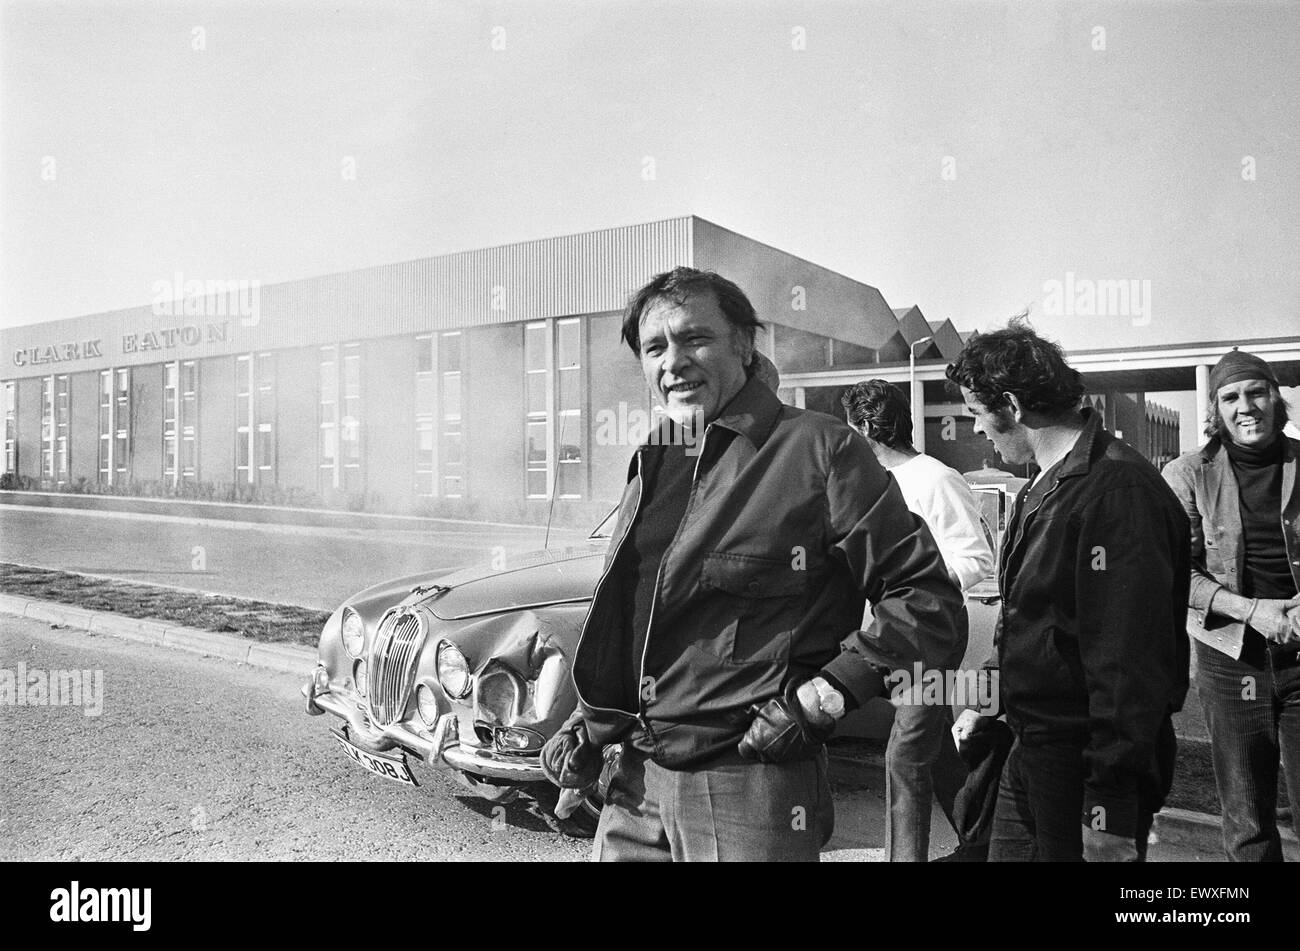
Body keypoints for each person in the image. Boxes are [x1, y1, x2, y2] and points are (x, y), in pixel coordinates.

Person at [540, 266, 966, 862]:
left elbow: (926, 602)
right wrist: (589, 721)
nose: (673, 362)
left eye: (695, 339)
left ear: (743, 344)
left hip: (748, 784)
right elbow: (636, 614)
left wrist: (825, 696)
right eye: (654, 347)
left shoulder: (821, 449)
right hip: (632, 785)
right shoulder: (654, 459)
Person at [946, 316, 1190, 862]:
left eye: (977, 414)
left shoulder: (1116, 492)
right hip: (1030, 746)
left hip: (1082, 763)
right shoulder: (1043, 485)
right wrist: (988, 699)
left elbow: (1128, 661)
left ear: (1009, 403)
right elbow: (1029, 620)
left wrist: (1109, 807)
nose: (977, 430)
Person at [840, 379, 993, 862]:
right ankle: (988, 841)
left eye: (851, 431)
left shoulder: (936, 478)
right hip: (890, 636)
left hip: (932, 634)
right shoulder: (870, 484)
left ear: (867, 426)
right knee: (935, 751)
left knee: (904, 757)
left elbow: (977, 560)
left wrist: (917, 584)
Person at [1161, 349, 1300, 861]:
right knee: (1246, 817)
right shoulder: (1187, 473)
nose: (1246, 406)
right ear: (1216, 410)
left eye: (1257, 392)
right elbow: (1176, 571)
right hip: (1230, 656)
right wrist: (1252, 610)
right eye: (1231, 396)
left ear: (1275, 398)